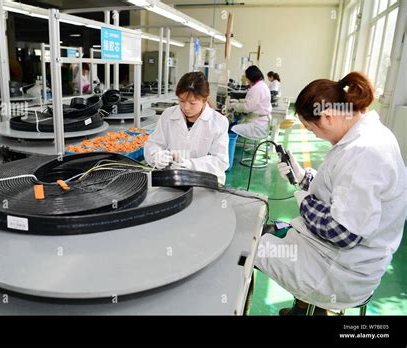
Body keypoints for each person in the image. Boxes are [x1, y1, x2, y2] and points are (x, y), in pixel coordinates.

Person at [255, 72, 406, 315]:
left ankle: (314, 307)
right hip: (339, 256)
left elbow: (342, 232)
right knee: (274, 231)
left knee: (248, 246)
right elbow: (340, 192)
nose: (313, 135)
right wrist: (304, 178)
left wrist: (303, 200)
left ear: (327, 117)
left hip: (340, 271)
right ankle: (303, 309)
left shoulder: (364, 152)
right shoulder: (363, 135)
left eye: (311, 129)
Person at [144, 71, 229, 184]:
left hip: (205, 182)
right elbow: (153, 144)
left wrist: (191, 164)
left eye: (192, 103)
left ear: (204, 100)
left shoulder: (218, 122)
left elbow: (220, 161)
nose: (186, 107)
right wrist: (156, 156)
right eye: (181, 101)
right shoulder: (168, 115)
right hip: (173, 178)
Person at [230, 65, 272, 139]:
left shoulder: (256, 89)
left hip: (257, 125)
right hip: (262, 121)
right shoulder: (262, 85)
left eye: (247, 78)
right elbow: (253, 101)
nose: (247, 80)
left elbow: (247, 108)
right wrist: (239, 101)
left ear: (251, 77)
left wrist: (234, 105)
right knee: (237, 123)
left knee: (232, 128)